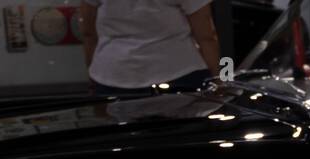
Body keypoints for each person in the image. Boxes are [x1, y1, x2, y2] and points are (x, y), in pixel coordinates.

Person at [79, 0, 221, 96]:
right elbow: (206, 36)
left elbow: (88, 33)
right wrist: (220, 81)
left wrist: (93, 73)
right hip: (178, 74)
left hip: (111, 75)